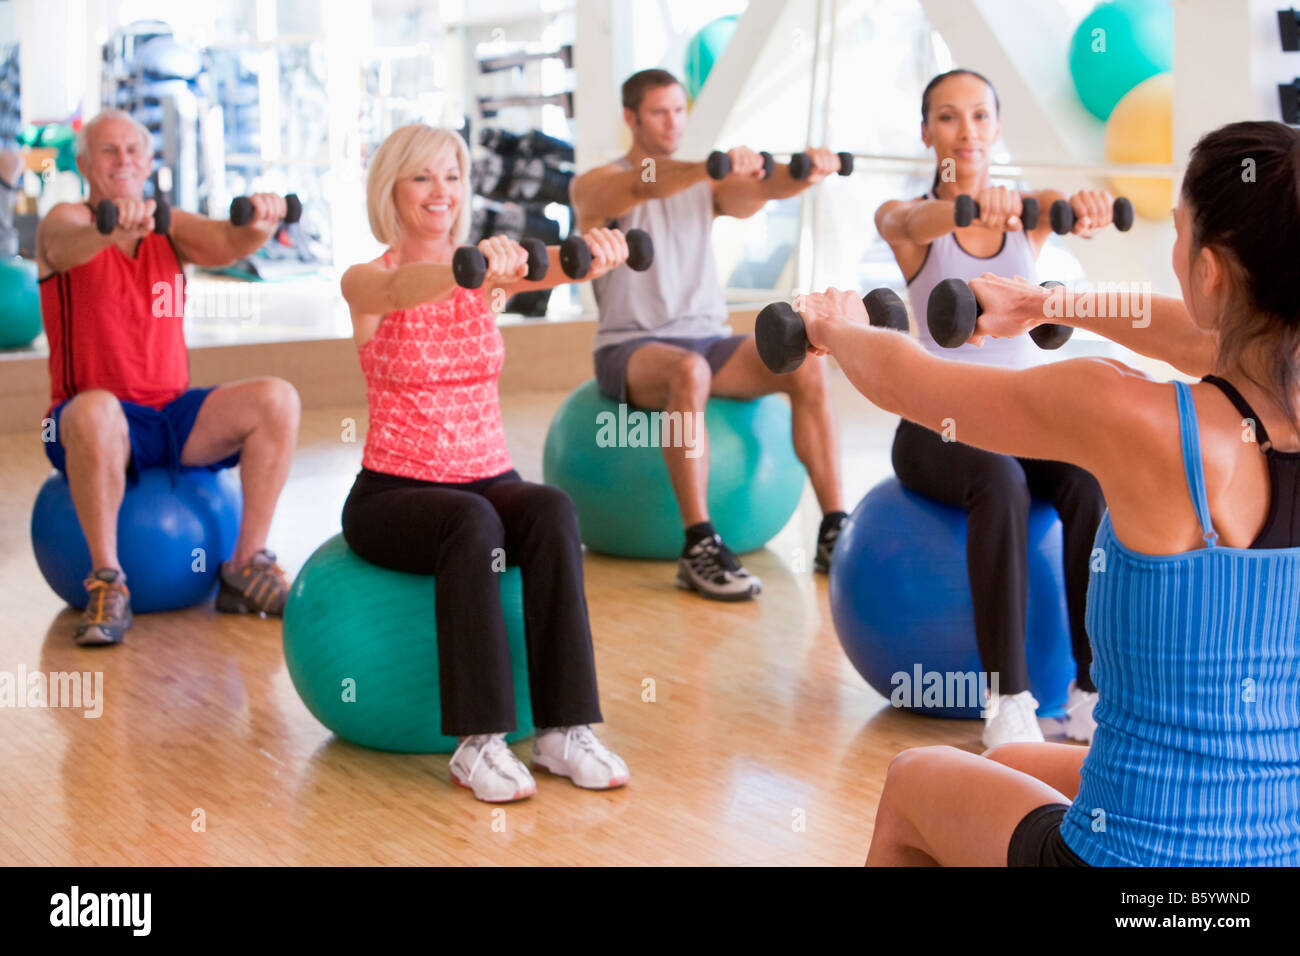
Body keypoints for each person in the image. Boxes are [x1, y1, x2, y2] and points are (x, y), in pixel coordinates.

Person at [796, 120, 1300, 866]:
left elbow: (913, 385)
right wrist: (1044, 305)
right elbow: (1213, 341)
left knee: (915, 779)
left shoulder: (1136, 419)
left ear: (1211, 273)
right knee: (1009, 769)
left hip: (1139, 873)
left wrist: (835, 331)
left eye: (1181, 235)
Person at [339, 123, 630, 803]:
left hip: (484, 475)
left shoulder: (483, 273)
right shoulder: (367, 281)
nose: (441, 192)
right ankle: (478, 744)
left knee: (551, 507)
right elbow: (401, 290)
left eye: (452, 176)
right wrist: (465, 267)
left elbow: (554, 263)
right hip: (393, 492)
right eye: (422, 177)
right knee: (470, 523)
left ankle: (563, 728)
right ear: (391, 190)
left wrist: (595, 250)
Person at [874, 69, 1114, 746]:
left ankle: (1091, 689)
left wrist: (1087, 206)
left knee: (1089, 479)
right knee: (1001, 481)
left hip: (1016, 419)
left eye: (980, 116)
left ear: (997, 128)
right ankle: (1007, 698)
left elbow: (1066, 205)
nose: (966, 131)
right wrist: (967, 207)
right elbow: (919, 217)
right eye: (948, 118)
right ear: (927, 133)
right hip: (935, 426)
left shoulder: (1027, 210)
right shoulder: (905, 221)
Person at [571, 68, 848, 601]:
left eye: (679, 110)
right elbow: (641, 182)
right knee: (687, 371)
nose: (673, 121)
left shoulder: (705, 182)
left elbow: (759, 191)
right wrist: (706, 167)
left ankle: (833, 528)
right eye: (659, 112)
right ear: (631, 118)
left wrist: (804, 171)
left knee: (807, 360)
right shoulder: (595, 185)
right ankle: (698, 545)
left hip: (708, 336)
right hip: (629, 347)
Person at [36, 109, 300, 646]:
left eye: (134, 151)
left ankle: (245, 566)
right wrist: (110, 229)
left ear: (150, 161)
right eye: (109, 152)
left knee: (277, 399)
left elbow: (228, 242)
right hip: (88, 423)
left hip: (169, 416)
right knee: (95, 407)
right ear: (85, 163)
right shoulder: (66, 219)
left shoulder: (168, 225)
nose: (123, 160)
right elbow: (65, 246)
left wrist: (261, 222)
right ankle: (109, 580)